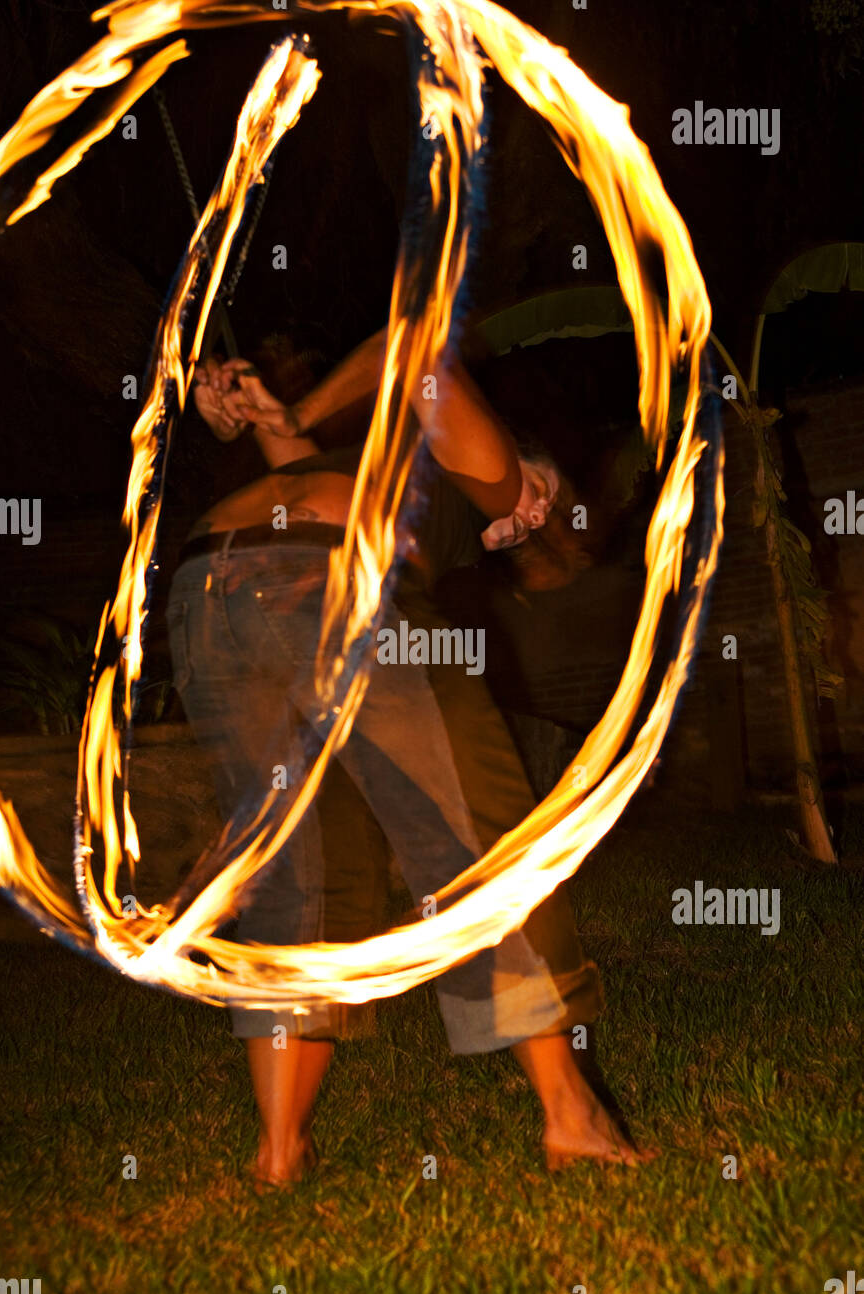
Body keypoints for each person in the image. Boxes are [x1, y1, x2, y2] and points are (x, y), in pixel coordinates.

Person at [166, 326, 654, 1186]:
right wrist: (304, 405)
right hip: (327, 585)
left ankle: (280, 1153)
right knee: (484, 846)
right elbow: (418, 350)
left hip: (209, 592)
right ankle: (571, 1117)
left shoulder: (397, 495)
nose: (531, 512)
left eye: (534, 521)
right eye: (542, 490)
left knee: (299, 874)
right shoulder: (475, 472)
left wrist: (254, 406)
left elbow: (292, 456)